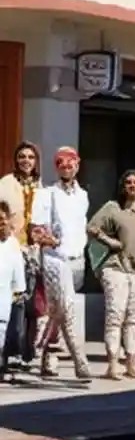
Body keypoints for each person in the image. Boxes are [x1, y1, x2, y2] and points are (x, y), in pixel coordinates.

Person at [29, 146, 91, 381]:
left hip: (77, 259)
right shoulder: (47, 194)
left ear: (77, 164)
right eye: (61, 163)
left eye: (70, 162)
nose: (66, 166)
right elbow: (36, 229)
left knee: (57, 311)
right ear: (56, 167)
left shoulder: (82, 195)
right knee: (67, 308)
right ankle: (79, 361)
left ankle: (46, 351)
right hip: (55, 259)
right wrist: (50, 240)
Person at [87, 170, 135, 380]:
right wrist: (110, 242)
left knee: (134, 317)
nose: (132, 186)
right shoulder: (112, 208)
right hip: (115, 267)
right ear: (122, 186)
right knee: (115, 315)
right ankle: (112, 365)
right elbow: (92, 228)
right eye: (128, 182)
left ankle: (131, 364)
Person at [0, 142, 41, 369]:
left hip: (34, 252)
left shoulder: (40, 186)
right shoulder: (5, 184)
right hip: (10, 248)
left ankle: (26, 350)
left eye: (31, 157)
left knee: (31, 306)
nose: (26, 161)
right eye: (22, 157)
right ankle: (7, 353)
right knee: (11, 303)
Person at [0, 202, 26, 376]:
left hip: (4, 298)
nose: (1, 223)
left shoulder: (13, 244)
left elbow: (18, 273)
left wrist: (19, 291)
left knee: (2, 333)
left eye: (3, 219)